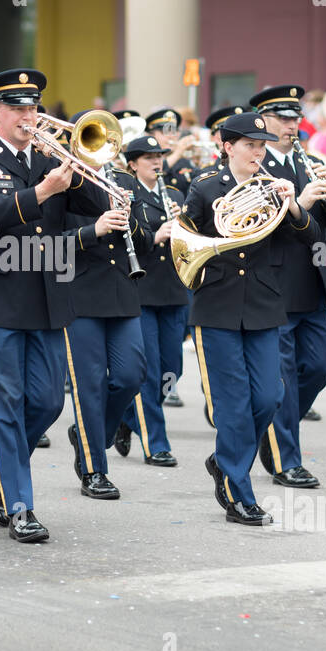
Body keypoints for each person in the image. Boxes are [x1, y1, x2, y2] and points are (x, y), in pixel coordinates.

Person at [0, 68, 109, 542]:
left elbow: (99, 206)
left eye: (33, 107)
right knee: (6, 404)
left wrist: (80, 164)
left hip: (46, 298)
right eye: (17, 107)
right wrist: (43, 191)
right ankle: (21, 506)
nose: (27, 115)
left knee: (46, 402)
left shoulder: (50, 158)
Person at [187, 112, 326, 525]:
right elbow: (186, 241)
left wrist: (295, 206)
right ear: (228, 148)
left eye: (262, 146)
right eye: (250, 145)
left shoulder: (275, 189)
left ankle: (225, 460)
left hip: (264, 305)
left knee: (269, 396)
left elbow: (310, 237)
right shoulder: (206, 188)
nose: (258, 153)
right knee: (233, 405)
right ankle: (238, 493)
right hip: (218, 305)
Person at [249, 84, 326, 488]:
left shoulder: (311, 161)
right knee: (281, 375)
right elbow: (258, 227)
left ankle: (274, 425)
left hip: (312, 280)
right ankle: (286, 458)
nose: (291, 126)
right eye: (283, 119)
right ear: (263, 121)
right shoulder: (255, 166)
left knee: (320, 365)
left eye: (294, 118)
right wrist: (301, 200)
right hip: (275, 283)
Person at [61, 116, 151, 500]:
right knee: (90, 386)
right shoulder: (61, 182)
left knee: (132, 375)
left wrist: (129, 223)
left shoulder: (123, 181)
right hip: (81, 293)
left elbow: (145, 240)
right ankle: (95, 469)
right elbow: (48, 244)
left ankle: (87, 432)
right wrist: (92, 230)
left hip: (122, 292)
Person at [117, 134, 187, 464]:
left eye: (159, 156)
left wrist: (181, 224)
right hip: (142, 291)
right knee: (148, 370)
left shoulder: (173, 193)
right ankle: (155, 442)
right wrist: (155, 235)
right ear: (132, 164)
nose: (157, 162)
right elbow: (122, 239)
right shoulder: (125, 195)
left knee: (172, 369)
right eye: (148, 158)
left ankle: (126, 416)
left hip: (173, 290)